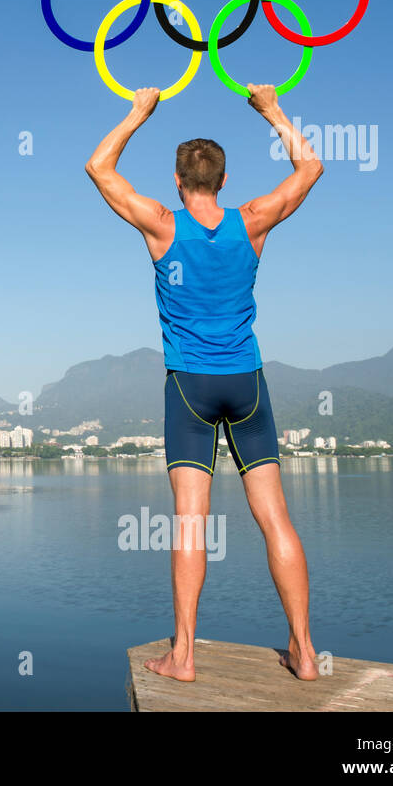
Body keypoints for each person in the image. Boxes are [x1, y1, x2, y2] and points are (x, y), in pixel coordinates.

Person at [84, 84, 322, 682]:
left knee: (190, 520)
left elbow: (98, 166)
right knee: (276, 518)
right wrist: (270, 109)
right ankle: (305, 652)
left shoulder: (163, 227)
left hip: (189, 386)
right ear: (223, 178)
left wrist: (139, 111)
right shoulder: (253, 221)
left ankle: (183, 656)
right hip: (248, 384)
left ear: (176, 180)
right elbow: (310, 165)